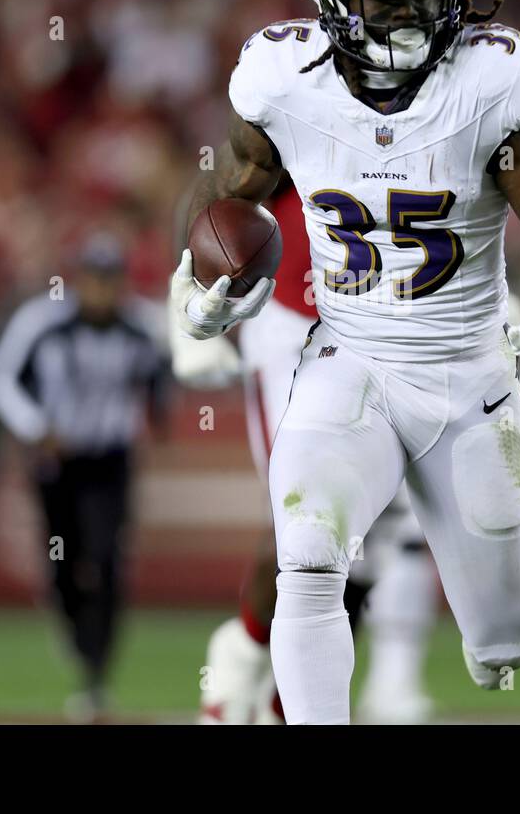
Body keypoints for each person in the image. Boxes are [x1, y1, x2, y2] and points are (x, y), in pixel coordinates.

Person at [170, 0, 520, 723]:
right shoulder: (284, 80)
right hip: (349, 358)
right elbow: (224, 193)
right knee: (310, 550)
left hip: (468, 372)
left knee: (503, 645)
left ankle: (502, 620)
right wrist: (197, 286)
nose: (406, 17)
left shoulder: (489, 81)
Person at [176, 180, 439, 725]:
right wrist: (181, 294)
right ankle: (244, 654)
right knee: (310, 511)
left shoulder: (440, 103)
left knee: (379, 524)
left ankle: (279, 698)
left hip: (395, 321)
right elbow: (217, 189)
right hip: (294, 319)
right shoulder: (293, 95)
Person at [0, 232, 169, 721]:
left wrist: (160, 417)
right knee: (64, 558)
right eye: (95, 279)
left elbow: (163, 373)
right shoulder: (41, 323)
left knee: (107, 558)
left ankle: (95, 673)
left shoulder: (141, 327)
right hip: (57, 459)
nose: (103, 290)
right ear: (78, 279)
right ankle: (72, 626)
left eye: (111, 280)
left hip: (110, 459)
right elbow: (0, 378)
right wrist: (34, 427)